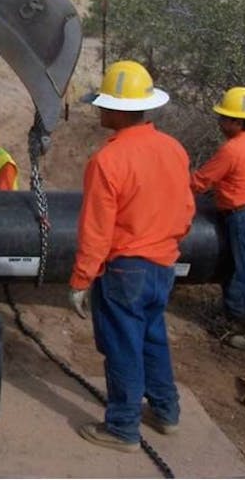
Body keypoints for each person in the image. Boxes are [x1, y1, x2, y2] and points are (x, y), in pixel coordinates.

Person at [68, 60, 196, 453]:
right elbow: (186, 209)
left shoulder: (108, 160)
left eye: (103, 104)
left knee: (122, 344)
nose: (98, 110)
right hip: (162, 265)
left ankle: (122, 427)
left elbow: (96, 229)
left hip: (125, 268)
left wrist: (80, 280)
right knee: (152, 338)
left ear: (116, 110)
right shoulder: (173, 149)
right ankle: (166, 412)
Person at [190, 86, 245, 350]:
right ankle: (236, 316)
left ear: (237, 122)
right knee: (237, 270)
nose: (220, 122)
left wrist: (171, 183)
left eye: (224, 118)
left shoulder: (233, 149)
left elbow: (200, 181)